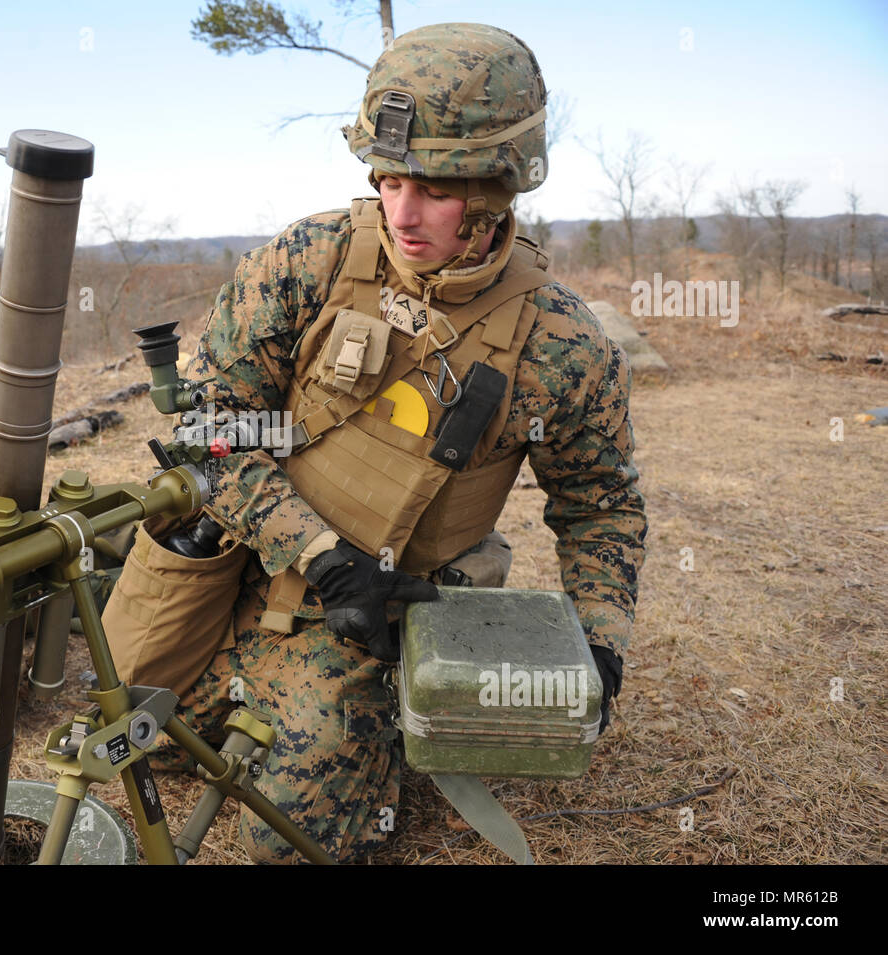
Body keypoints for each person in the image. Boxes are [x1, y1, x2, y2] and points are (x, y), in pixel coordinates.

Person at [160, 23, 647, 862]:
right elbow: (211, 424)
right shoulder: (309, 261)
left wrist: (597, 644)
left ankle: (373, 718)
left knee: (291, 841)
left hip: (383, 614)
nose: (401, 209)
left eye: (434, 186)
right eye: (385, 177)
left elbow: (599, 505)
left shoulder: (562, 343)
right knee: (142, 719)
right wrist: (314, 549)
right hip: (244, 564)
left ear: (500, 187)